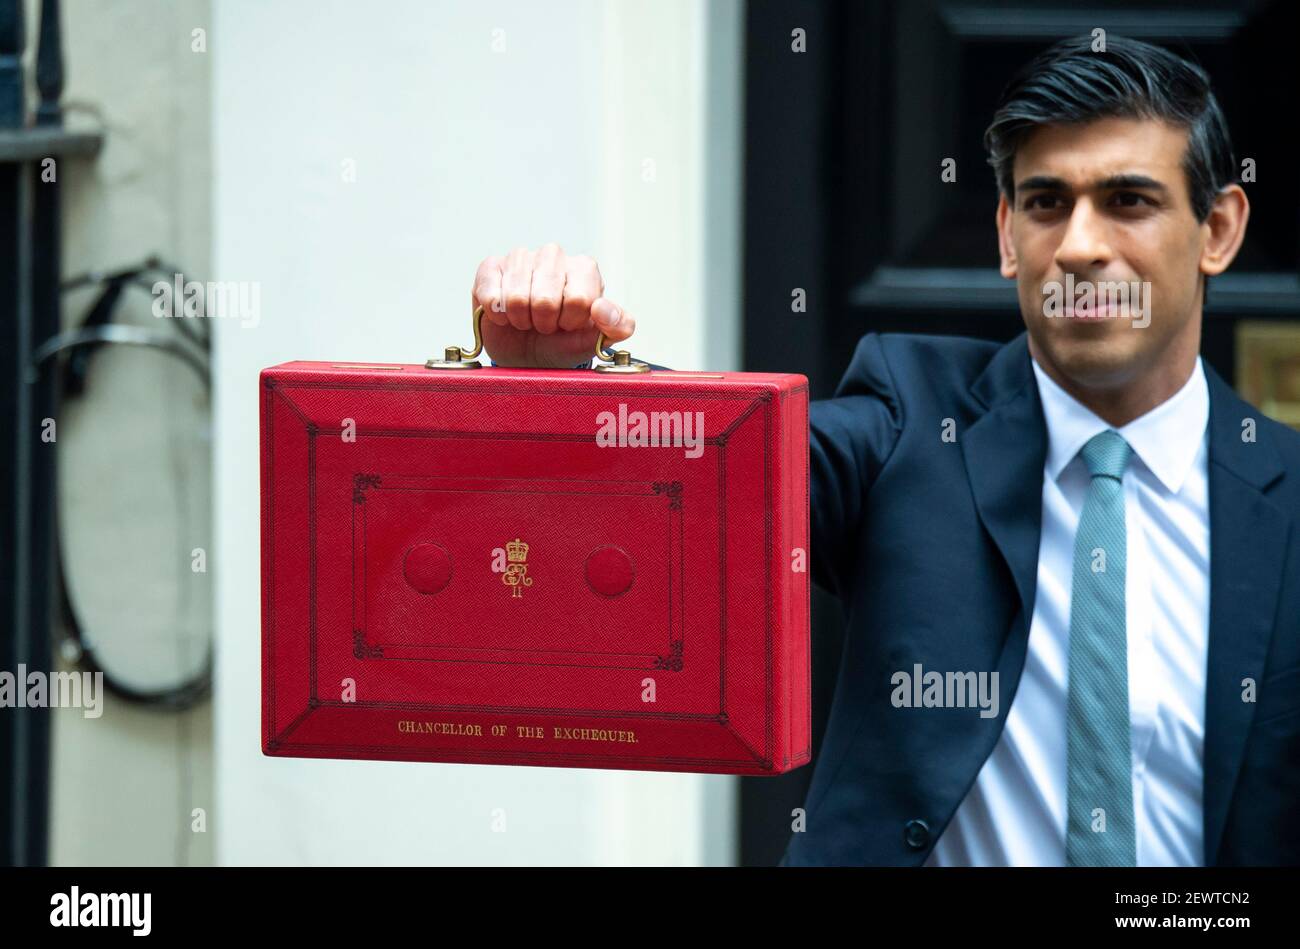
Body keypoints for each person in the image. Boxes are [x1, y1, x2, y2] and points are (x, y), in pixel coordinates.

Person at [469, 35, 1300, 866]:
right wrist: (562, 391)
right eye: (1047, 203)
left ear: (1218, 229)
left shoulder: (1287, 497)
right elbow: (701, 480)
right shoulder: (911, 417)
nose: (1080, 246)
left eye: (1128, 201)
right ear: (1008, 234)